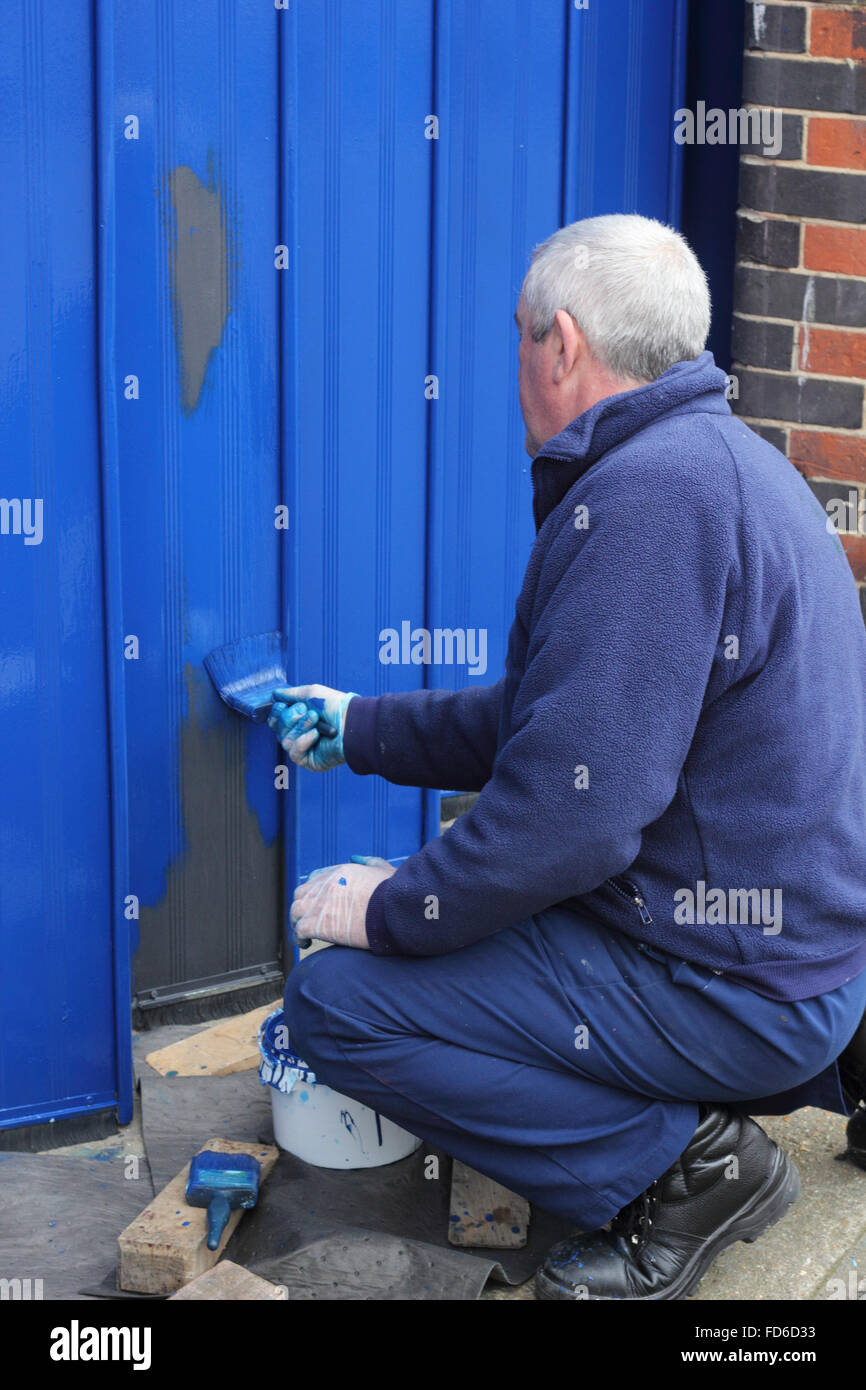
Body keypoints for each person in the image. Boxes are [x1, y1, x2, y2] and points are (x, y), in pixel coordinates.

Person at [268, 214, 866, 1300]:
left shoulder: (647, 500)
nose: (512, 364)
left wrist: (394, 908)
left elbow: (570, 817)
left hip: (729, 980)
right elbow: (563, 726)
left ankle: (686, 1170)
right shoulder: (721, 460)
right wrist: (360, 726)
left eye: (515, 337)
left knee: (336, 1005)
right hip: (780, 946)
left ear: (561, 343)